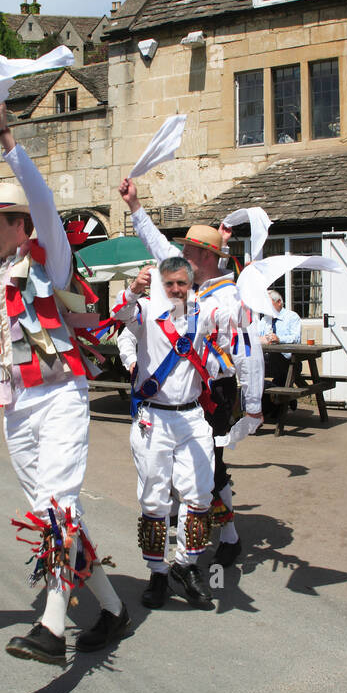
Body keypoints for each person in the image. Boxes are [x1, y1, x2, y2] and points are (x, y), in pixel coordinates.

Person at [0, 90, 127, 666]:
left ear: (21, 223)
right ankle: (111, 607)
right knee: (54, 511)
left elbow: (44, 195)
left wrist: (7, 138)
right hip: (17, 406)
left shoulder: (49, 257)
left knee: (58, 506)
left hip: (60, 393)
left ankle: (53, 628)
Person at [119, 179, 263, 568]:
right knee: (193, 471)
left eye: (186, 249)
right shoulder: (187, 282)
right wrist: (134, 207)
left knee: (211, 468)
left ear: (203, 254)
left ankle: (226, 537)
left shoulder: (230, 296)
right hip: (180, 393)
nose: (179, 253)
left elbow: (249, 351)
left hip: (214, 388)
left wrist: (252, 407)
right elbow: (157, 246)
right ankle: (188, 545)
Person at [113, 258, 229, 607]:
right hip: (154, 419)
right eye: (169, 284)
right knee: (154, 499)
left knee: (200, 495)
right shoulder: (145, 310)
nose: (176, 289)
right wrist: (134, 289)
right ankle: (157, 573)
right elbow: (120, 317)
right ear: (158, 285)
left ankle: (185, 565)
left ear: (190, 284)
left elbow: (230, 331)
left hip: (192, 417)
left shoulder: (203, 312)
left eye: (182, 283)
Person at [257, 290, 301, 418]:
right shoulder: (265, 319)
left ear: (279, 302)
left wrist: (279, 339)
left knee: (281, 372)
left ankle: (279, 404)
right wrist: (261, 339)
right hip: (268, 362)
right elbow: (256, 335)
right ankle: (284, 400)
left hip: (288, 362)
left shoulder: (292, 317)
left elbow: (296, 339)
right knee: (252, 368)